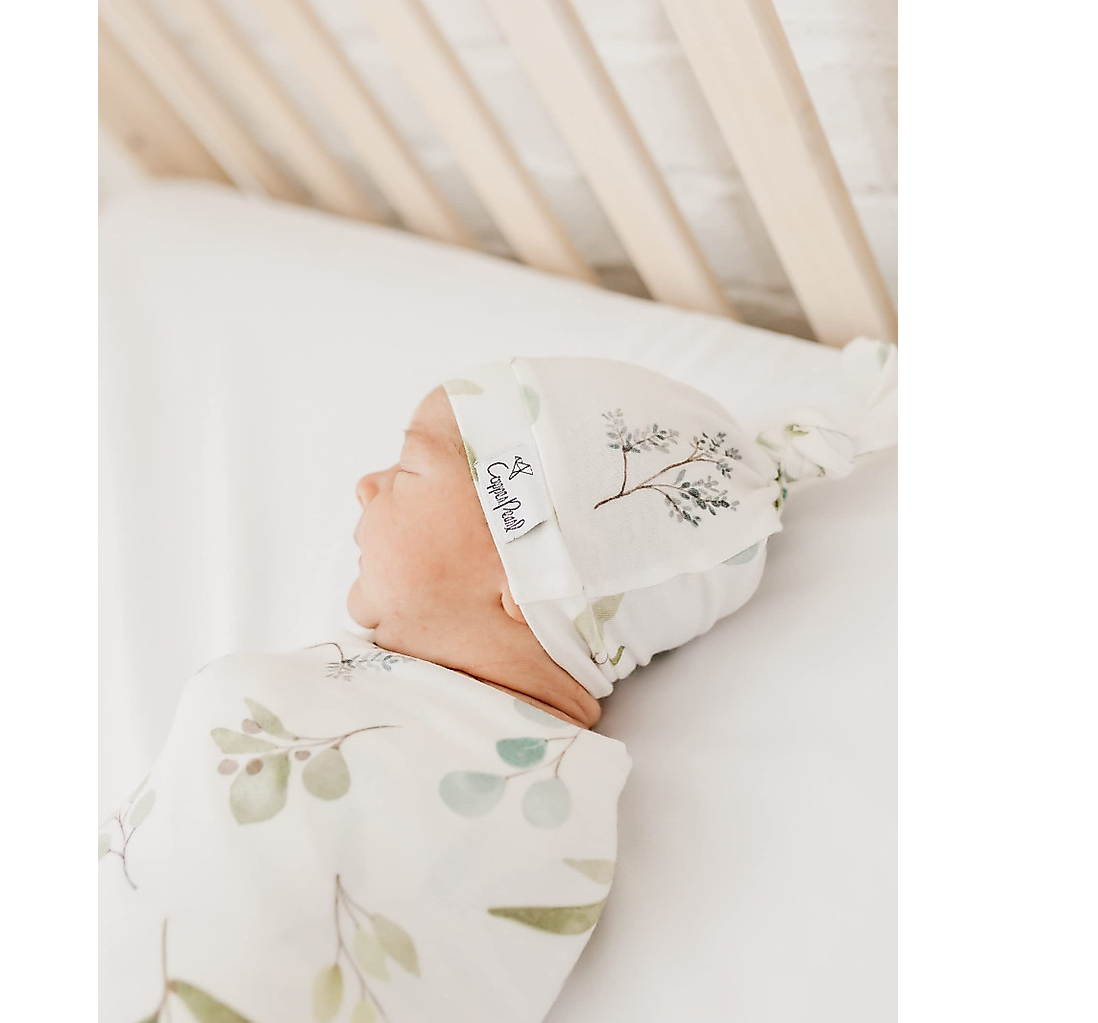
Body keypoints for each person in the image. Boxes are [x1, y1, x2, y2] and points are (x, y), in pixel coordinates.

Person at [99, 345, 896, 1023]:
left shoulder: (534, 798)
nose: (367, 484)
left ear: (528, 575)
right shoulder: (371, 688)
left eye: (408, 467)